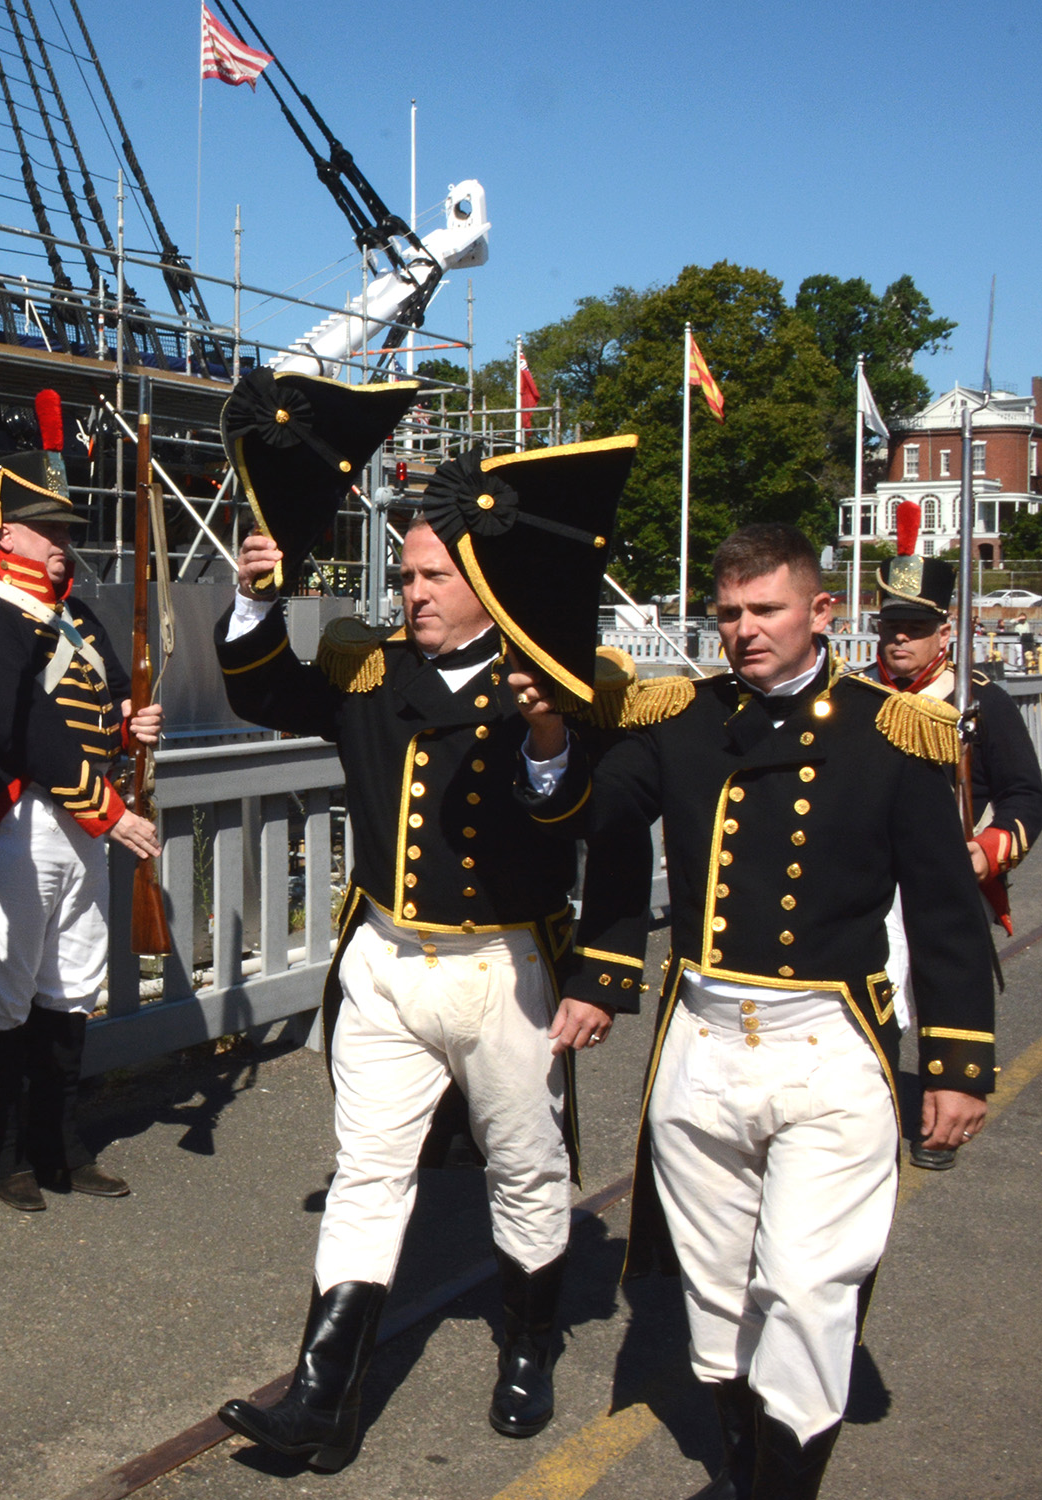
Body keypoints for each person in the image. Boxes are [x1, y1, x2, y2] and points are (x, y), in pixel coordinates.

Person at [511, 523, 995, 1499]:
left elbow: (945, 906)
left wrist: (956, 1061)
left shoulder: (890, 730)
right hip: (705, 1040)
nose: (743, 630)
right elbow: (595, 819)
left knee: (811, 1287)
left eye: (765, 610)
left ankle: (780, 1485)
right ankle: (747, 1453)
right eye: (727, 613)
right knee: (719, 1289)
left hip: (830, 1044)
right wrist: (554, 736)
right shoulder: (682, 717)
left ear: (822, 612)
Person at [212, 420, 652, 1475]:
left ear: (484, 583)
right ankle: (322, 1397)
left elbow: (608, 830)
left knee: (527, 1167)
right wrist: (258, 598)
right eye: (406, 575)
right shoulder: (371, 673)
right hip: (386, 965)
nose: (412, 593)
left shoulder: (557, 683)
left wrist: (601, 970)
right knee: (368, 1171)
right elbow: (263, 691)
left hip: (506, 970)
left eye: (433, 576)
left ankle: (530, 1344)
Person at [0, 391, 161, 1212]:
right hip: (24, 819)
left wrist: (127, 719)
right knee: (5, 990)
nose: (61, 540)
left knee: (70, 985)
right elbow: (14, 726)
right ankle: (1, 1151)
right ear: (5, 532)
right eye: (47, 527)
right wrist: (106, 809)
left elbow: (100, 697)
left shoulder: (73, 612)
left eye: (67, 528)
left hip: (82, 821)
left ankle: (59, 1142)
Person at [860, 501, 1042, 1170]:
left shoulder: (980, 701)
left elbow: (1026, 792)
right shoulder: (853, 697)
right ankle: (869, 1111)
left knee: (941, 997)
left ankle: (938, 1114)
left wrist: (989, 852)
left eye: (914, 628)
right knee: (870, 997)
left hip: (945, 873)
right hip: (869, 877)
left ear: (945, 634)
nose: (899, 641)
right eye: (890, 628)